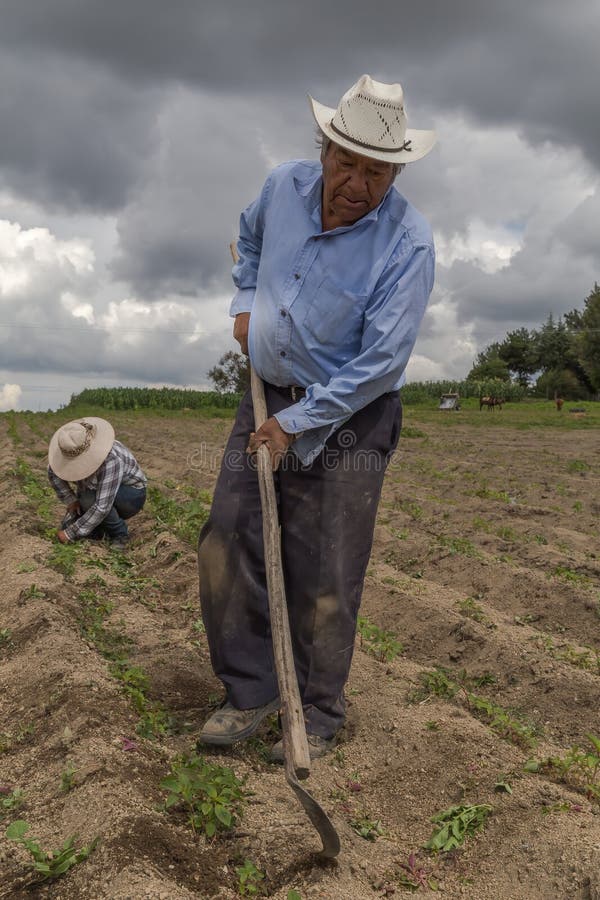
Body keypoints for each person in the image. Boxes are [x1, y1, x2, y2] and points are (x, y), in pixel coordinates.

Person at [197, 74, 436, 759]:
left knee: (326, 568)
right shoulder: (282, 188)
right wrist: (245, 303)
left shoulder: (408, 244)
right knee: (227, 536)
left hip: (350, 418)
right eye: (348, 162)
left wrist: (298, 424)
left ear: (395, 171)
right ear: (325, 149)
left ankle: (320, 711)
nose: (358, 182)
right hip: (266, 396)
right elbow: (246, 239)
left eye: (378, 170)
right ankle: (250, 690)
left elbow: (381, 364)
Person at [47, 417, 147, 551]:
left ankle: (120, 534)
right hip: (97, 490)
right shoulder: (69, 448)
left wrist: (69, 534)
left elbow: (102, 506)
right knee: (85, 499)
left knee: (89, 499)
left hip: (131, 496)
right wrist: (72, 501)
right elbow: (53, 472)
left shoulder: (111, 459)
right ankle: (99, 529)